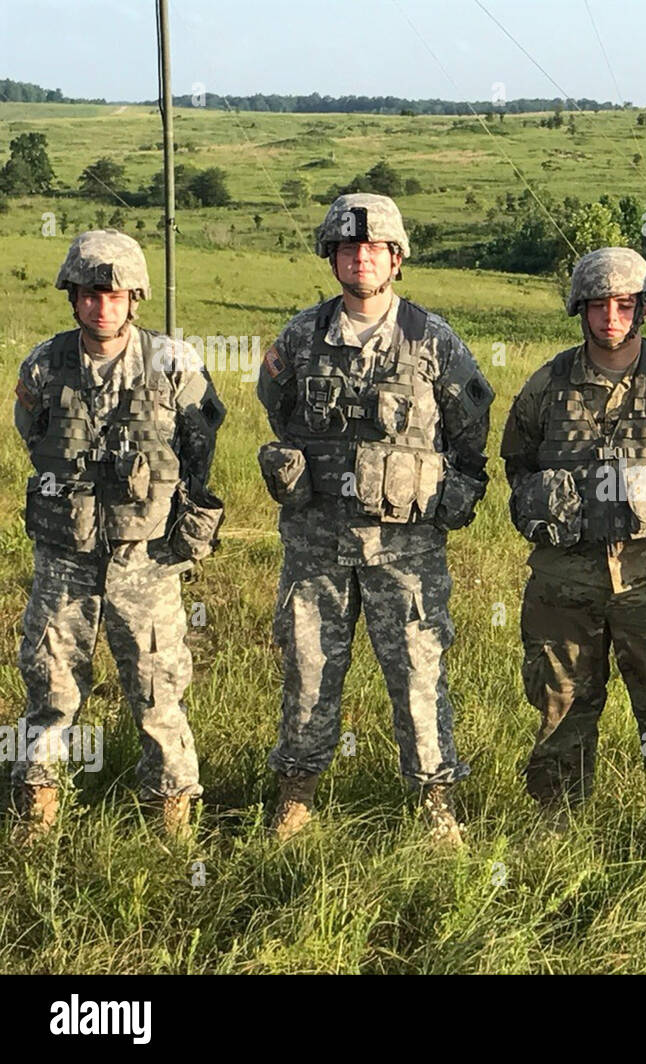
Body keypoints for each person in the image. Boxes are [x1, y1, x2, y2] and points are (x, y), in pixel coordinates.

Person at [256, 194, 493, 845]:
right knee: (308, 671)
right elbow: (277, 406)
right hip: (317, 543)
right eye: (348, 248)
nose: (361, 259)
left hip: (405, 549)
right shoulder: (301, 338)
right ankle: (296, 794)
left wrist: (449, 492)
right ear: (331, 257)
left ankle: (435, 801)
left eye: (374, 249)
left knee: (418, 673)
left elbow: (470, 427)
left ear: (396, 258)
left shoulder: (433, 340)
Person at [500, 247, 646, 831]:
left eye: (625, 305)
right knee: (561, 703)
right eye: (599, 305)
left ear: (645, 309)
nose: (611, 317)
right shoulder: (547, 385)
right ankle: (558, 822)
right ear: (580, 309)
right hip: (564, 580)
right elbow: (518, 460)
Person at [10, 229, 225, 844]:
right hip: (66, 553)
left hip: (145, 556)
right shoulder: (45, 364)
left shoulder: (173, 363)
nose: (101, 307)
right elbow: (33, 432)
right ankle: (38, 804)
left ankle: (171, 810)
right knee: (50, 683)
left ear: (135, 298)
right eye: (89, 295)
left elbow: (200, 442)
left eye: (114, 295)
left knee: (158, 688)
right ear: (72, 298)